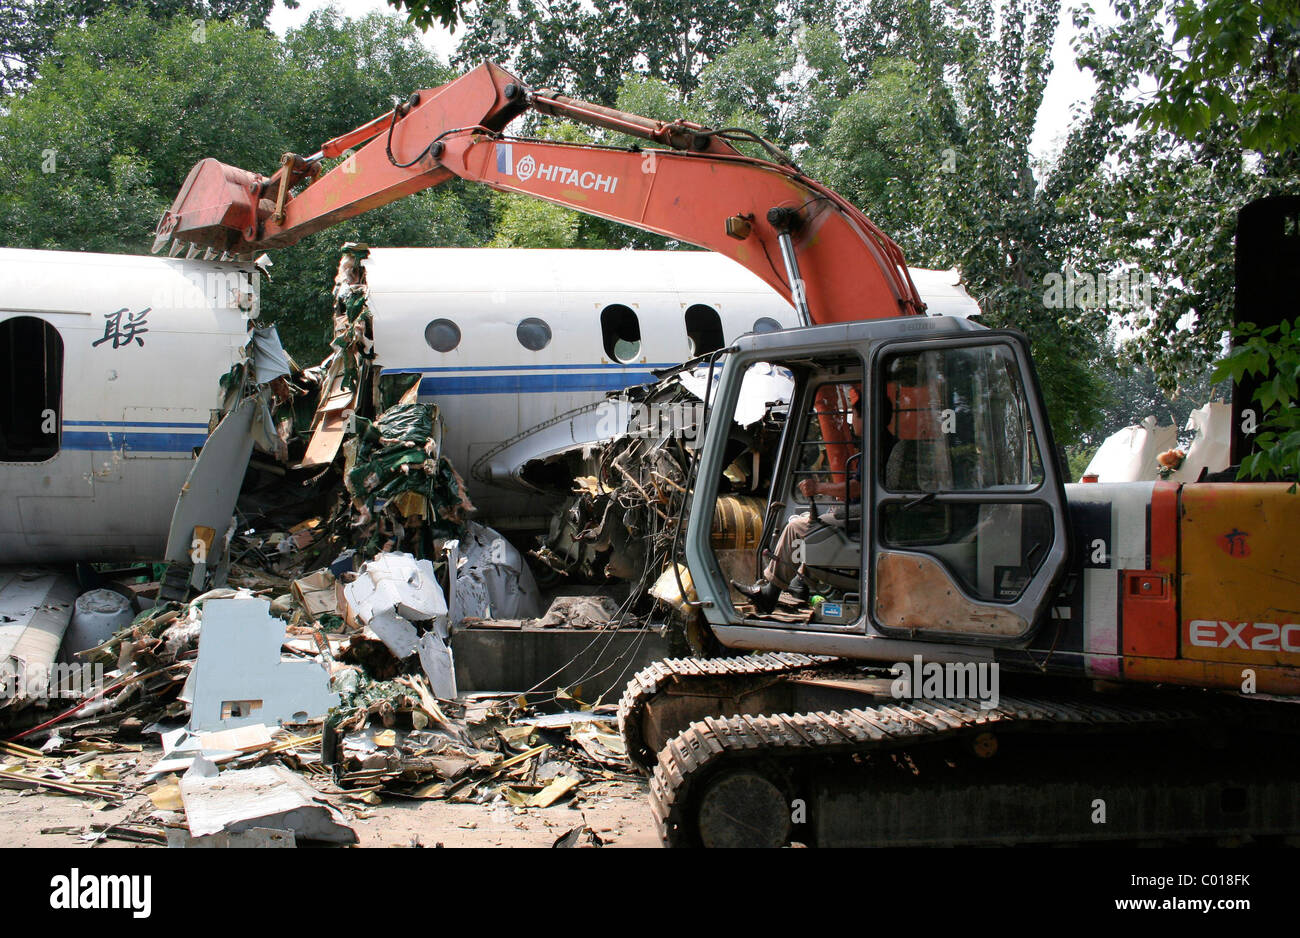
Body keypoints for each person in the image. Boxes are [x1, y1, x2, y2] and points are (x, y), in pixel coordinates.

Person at [734, 385, 863, 614]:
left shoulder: (872, 452)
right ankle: (798, 584)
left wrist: (819, 487)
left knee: (795, 528)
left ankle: (769, 594)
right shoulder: (877, 449)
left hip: (860, 522)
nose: (853, 420)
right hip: (860, 516)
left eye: (855, 413)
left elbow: (856, 488)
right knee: (807, 520)